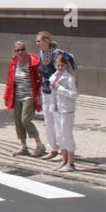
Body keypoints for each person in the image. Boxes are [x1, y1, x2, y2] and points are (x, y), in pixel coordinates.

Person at [35, 31, 76, 161]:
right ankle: (53, 148)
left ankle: (62, 152)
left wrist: (59, 85)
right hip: (46, 91)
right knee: (48, 122)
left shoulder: (56, 54)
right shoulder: (41, 55)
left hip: (57, 93)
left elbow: (64, 72)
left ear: (47, 41)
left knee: (58, 123)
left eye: (39, 41)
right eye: (37, 41)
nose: (38, 43)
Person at [4, 40, 44, 156]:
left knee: (25, 120)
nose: (21, 52)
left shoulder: (33, 62)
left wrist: (39, 94)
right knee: (18, 122)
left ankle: (39, 145)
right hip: (17, 96)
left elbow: (40, 78)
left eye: (23, 49)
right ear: (14, 52)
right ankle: (23, 147)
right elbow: (10, 81)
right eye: (18, 50)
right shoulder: (14, 63)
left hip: (30, 96)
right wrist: (7, 96)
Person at [50, 52, 78, 171]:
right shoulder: (55, 76)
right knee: (59, 135)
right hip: (57, 109)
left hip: (67, 110)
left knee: (67, 136)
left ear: (66, 66)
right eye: (58, 66)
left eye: (62, 65)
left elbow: (74, 94)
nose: (59, 68)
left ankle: (71, 163)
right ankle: (64, 160)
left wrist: (59, 88)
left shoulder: (69, 78)